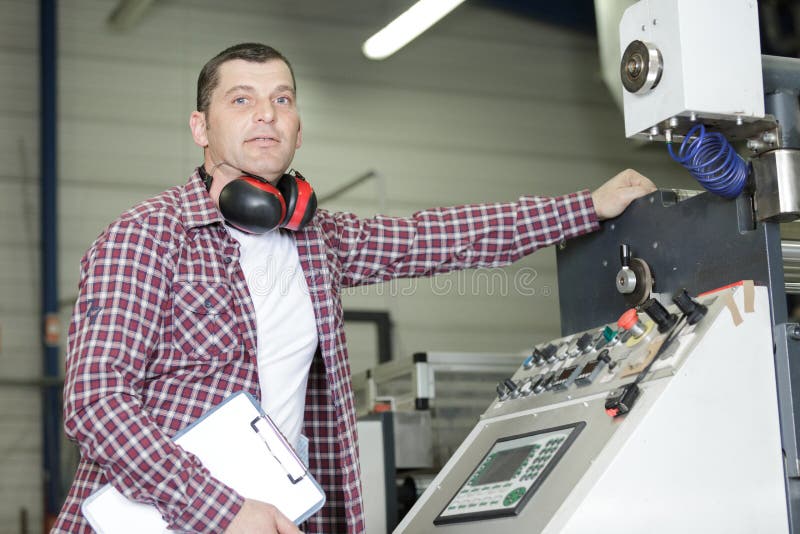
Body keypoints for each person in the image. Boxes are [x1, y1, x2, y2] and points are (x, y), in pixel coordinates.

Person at [53, 43, 656, 533]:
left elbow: (442, 238)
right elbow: (96, 401)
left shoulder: (318, 240)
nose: (266, 113)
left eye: (281, 99)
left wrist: (586, 207)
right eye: (241, 100)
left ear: (297, 125)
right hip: (162, 517)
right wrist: (221, 510)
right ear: (200, 128)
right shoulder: (146, 237)